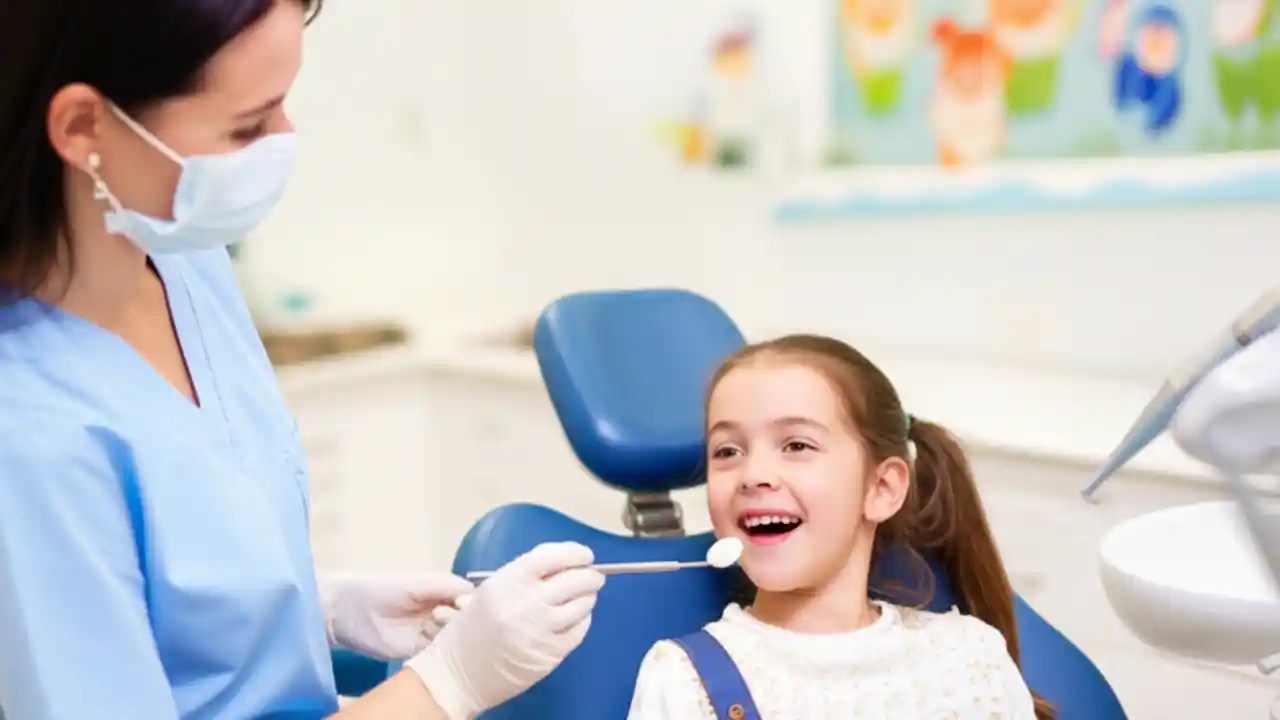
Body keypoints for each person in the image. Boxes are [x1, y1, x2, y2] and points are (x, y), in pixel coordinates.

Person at [0, 1, 603, 718]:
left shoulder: (188, 265)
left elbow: (168, 573)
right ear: (83, 128)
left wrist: (319, 612)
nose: (284, 141)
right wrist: (448, 685)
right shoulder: (29, 432)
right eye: (248, 125)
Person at [626, 335, 1053, 719]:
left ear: (882, 488)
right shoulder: (682, 681)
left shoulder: (969, 657)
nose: (753, 473)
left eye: (796, 445)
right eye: (727, 450)